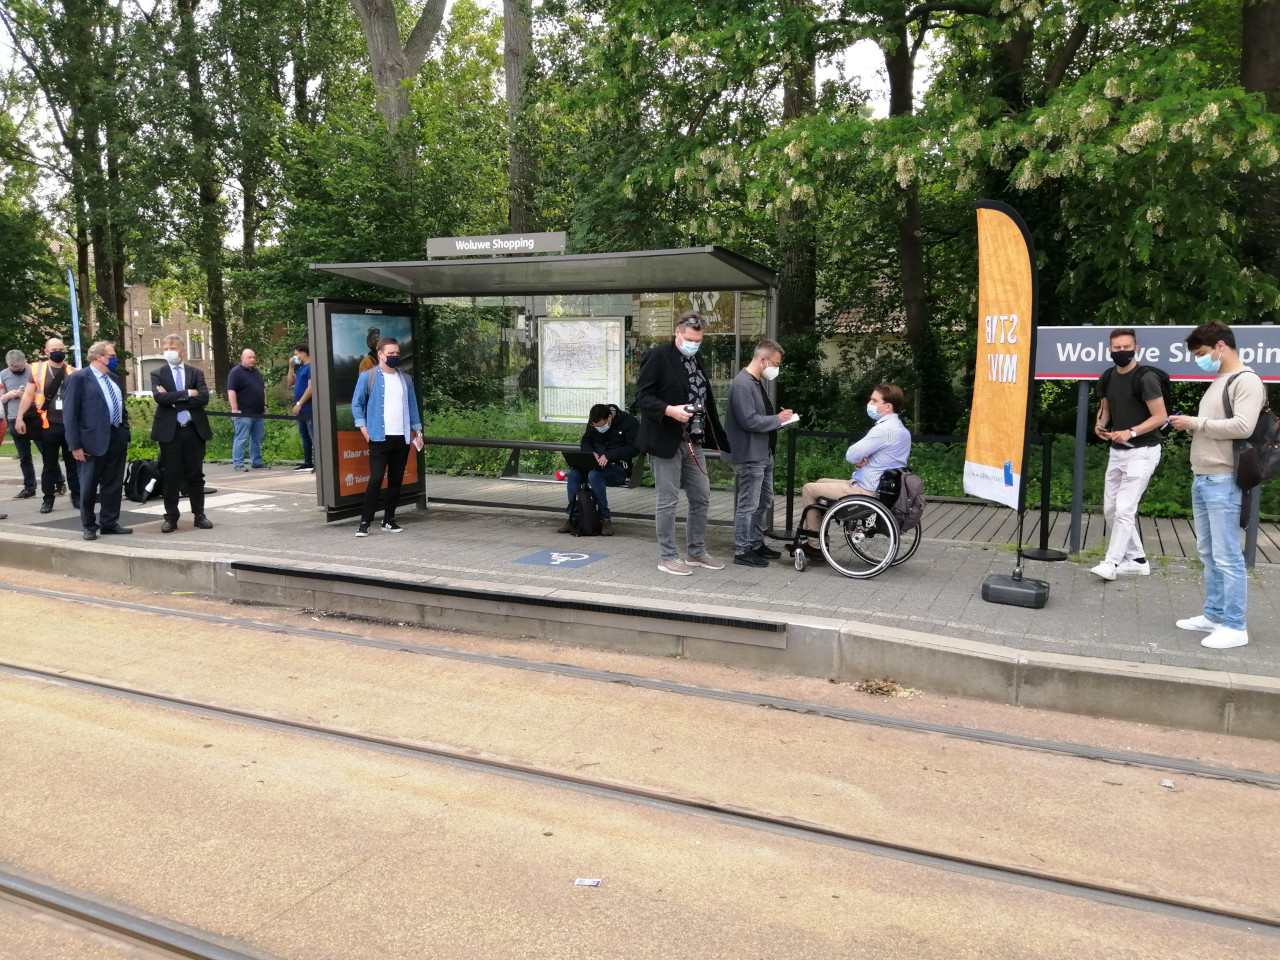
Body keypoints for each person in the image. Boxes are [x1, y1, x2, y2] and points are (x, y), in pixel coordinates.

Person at [1169, 321, 1265, 650]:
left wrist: (1194, 423)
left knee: (1227, 556)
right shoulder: (1220, 379)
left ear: (1220, 346)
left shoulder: (1247, 381)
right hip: (1205, 476)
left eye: (1202, 353)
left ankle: (1235, 626)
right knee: (1209, 553)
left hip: (1223, 478)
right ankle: (1214, 614)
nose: (1200, 359)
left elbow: (1242, 425)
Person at [635, 311, 730, 576]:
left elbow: (704, 398)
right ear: (677, 332)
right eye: (689, 339)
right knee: (668, 500)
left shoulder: (696, 358)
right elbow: (642, 397)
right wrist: (669, 410)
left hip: (693, 440)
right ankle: (667, 556)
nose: (694, 344)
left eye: (699, 340)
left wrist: (717, 437)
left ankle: (696, 552)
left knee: (701, 496)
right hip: (666, 440)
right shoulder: (658, 356)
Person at [1090, 329, 1169, 581]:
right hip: (1118, 451)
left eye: (1126, 347)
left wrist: (1131, 432)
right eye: (1116, 347)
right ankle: (1137, 560)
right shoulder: (1108, 376)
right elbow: (1105, 408)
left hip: (1144, 450)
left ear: (1136, 349)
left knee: (1125, 508)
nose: (1121, 351)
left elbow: (1160, 417)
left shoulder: (1145, 378)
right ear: (1109, 350)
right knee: (1111, 509)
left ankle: (1111, 563)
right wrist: (1100, 426)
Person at [799, 384, 911, 549]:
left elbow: (851, 454)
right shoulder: (901, 430)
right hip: (882, 488)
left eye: (874, 400)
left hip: (867, 490)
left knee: (809, 489)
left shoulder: (883, 430)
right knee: (821, 481)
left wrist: (859, 459)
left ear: (887, 407)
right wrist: (864, 458)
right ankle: (820, 534)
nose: (869, 403)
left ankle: (815, 545)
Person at [724, 340, 794, 567]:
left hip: (763, 452)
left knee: (764, 500)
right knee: (749, 504)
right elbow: (748, 420)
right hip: (750, 454)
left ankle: (755, 542)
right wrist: (777, 420)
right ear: (763, 359)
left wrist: (780, 422)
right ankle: (743, 550)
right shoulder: (743, 384)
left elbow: (758, 418)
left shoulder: (755, 382)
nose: (776, 368)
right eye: (775, 363)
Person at [350, 338, 423, 537]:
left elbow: (413, 407)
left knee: (396, 480)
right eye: (390, 353)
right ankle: (365, 522)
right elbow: (356, 405)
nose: (395, 356)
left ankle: (388, 519)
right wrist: (364, 429)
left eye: (397, 353)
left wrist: (418, 432)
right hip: (379, 437)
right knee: (375, 479)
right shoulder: (368, 376)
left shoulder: (405, 379)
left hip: (401, 437)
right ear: (380, 354)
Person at [63, 341, 131, 540]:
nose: (114, 359)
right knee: (89, 485)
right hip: (91, 441)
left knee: (113, 483)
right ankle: (89, 525)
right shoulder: (78, 378)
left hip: (116, 437)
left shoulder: (115, 379)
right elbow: (70, 414)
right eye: (111, 355)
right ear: (98, 357)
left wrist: (125, 430)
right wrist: (74, 445)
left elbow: (120, 406)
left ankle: (109, 522)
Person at [151, 335, 213, 533]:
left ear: (182, 351)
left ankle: (199, 515)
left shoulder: (196, 372)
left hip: (193, 430)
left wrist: (174, 399)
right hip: (170, 432)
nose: (168, 351)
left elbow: (203, 398)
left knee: (196, 475)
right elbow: (160, 398)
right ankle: (171, 517)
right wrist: (188, 393)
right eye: (166, 347)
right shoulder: (157, 373)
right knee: (171, 476)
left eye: (172, 348)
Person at [16, 337, 79, 513]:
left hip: (69, 424)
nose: (58, 352)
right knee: (49, 464)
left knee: (73, 462)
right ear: (46, 352)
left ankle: (77, 495)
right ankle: (48, 498)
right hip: (48, 424)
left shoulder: (73, 371)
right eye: (54, 349)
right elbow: (28, 395)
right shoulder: (37, 369)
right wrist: (20, 417)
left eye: (61, 348)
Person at [558, 402, 640, 537]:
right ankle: (574, 517)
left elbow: (634, 448)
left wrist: (609, 455)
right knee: (573, 475)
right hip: (593, 464)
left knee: (595, 476)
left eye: (601, 426)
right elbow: (585, 441)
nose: (599, 429)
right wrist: (591, 453)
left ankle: (605, 518)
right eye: (596, 427)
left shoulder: (629, 422)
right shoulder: (593, 422)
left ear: (610, 417)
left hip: (618, 467)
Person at [2, 349, 37, 499]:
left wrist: (30, 396)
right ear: (8, 365)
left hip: (35, 415)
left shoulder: (34, 371)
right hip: (14, 416)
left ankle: (58, 482)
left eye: (20, 368)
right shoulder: (3, 375)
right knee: (24, 456)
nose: (17, 370)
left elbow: (44, 393)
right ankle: (29, 487)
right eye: (13, 368)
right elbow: (1, 399)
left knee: (47, 451)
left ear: (25, 362)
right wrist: (8, 396)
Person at [226, 348, 267, 470]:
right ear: (242, 358)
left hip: (259, 413)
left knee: (257, 439)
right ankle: (238, 464)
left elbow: (262, 389)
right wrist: (234, 409)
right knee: (241, 438)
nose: (252, 360)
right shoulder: (235, 372)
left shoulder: (256, 372)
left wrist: (265, 405)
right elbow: (231, 391)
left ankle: (257, 462)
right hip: (243, 413)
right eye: (249, 357)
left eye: (254, 357)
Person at [286, 343, 315, 472]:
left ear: (303, 354)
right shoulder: (301, 368)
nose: (295, 357)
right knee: (304, 435)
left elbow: (311, 388)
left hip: (308, 407)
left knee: (313, 435)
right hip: (301, 410)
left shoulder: (311, 368)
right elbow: (289, 382)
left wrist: (299, 403)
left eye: (296, 354)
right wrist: (291, 367)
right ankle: (308, 462)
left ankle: (319, 462)